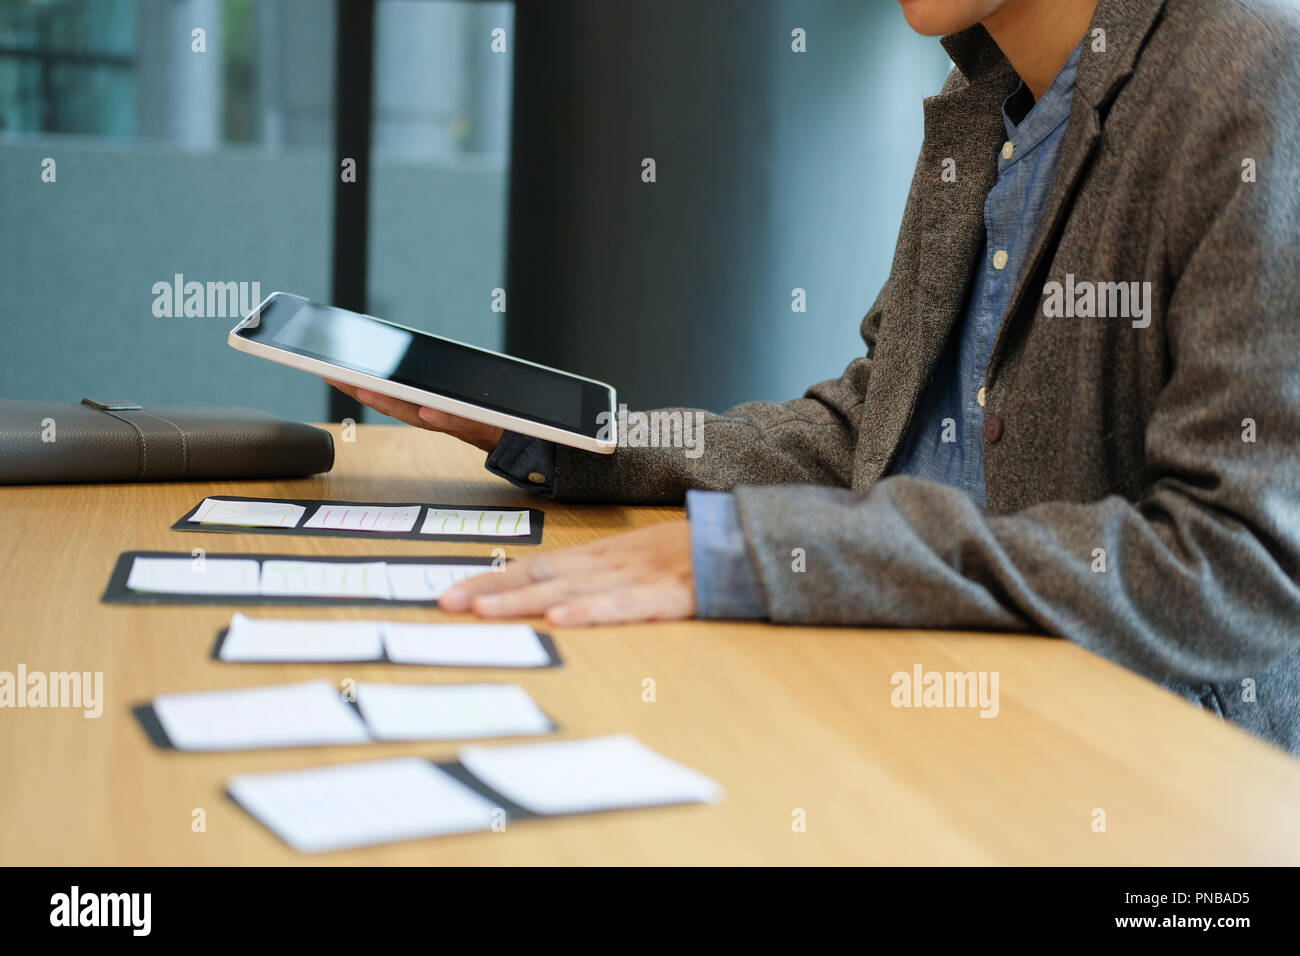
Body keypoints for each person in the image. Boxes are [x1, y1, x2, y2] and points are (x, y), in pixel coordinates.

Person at [331, 0, 1300, 753]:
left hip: (1127, 784)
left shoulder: (1252, 75)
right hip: (917, 707)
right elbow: (869, 426)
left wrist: (779, 549)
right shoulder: (985, 99)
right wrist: (590, 432)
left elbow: (1239, 562)